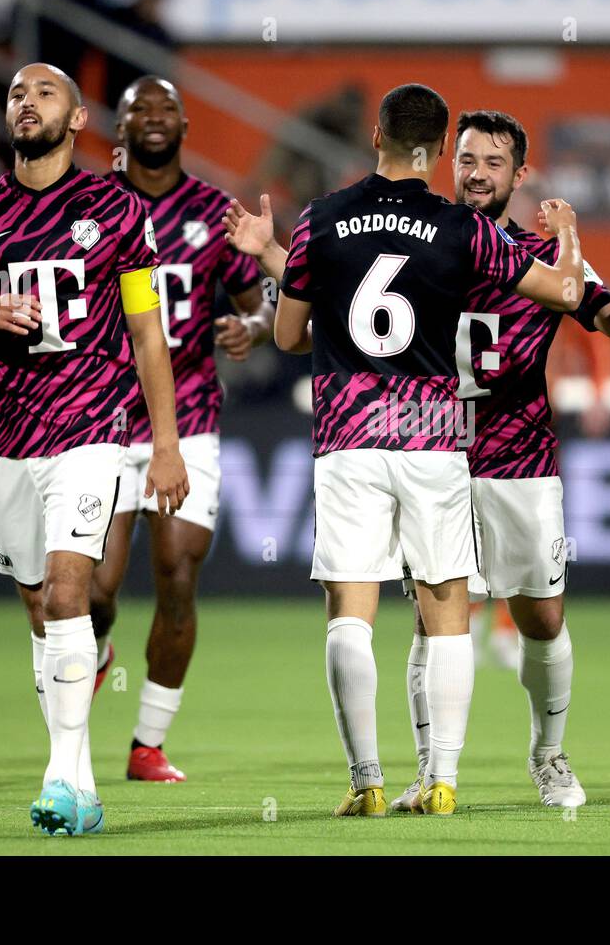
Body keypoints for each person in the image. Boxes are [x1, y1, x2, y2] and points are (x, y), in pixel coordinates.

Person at [226, 83, 585, 816]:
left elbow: (290, 336)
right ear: (439, 148)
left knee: (350, 612)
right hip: (433, 440)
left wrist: (271, 254)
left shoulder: (323, 219)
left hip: (350, 438)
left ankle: (366, 782)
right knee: (447, 604)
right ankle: (445, 780)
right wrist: (569, 237)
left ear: (377, 139)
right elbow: (568, 292)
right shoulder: (462, 228)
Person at [0, 63, 189, 835]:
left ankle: (65, 780)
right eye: (14, 93)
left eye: (44, 94)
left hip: (89, 429)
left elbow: (147, 331)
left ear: (78, 120)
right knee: (42, 610)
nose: (26, 103)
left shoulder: (117, 208)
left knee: (72, 595)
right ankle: (73, 773)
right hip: (5, 439)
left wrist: (165, 443)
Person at [388, 109, 610, 811]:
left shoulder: (543, 256)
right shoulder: (420, 241)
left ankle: (548, 754)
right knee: (433, 618)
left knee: (541, 619)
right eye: (468, 159)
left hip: (521, 459)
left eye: (494, 162)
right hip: (435, 458)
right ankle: (431, 771)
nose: (477, 173)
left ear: (519, 173)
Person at [90, 76, 273, 781]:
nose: (156, 118)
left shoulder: (211, 212)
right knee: (96, 588)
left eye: (168, 108)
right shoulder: (90, 206)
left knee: (177, 574)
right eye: (142, 108)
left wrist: (249, 327)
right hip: (100, 416)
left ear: (187, 124)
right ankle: (97, 646)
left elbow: (264, 302)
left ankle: (148, 743)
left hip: (188, 417)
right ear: (121, 124)